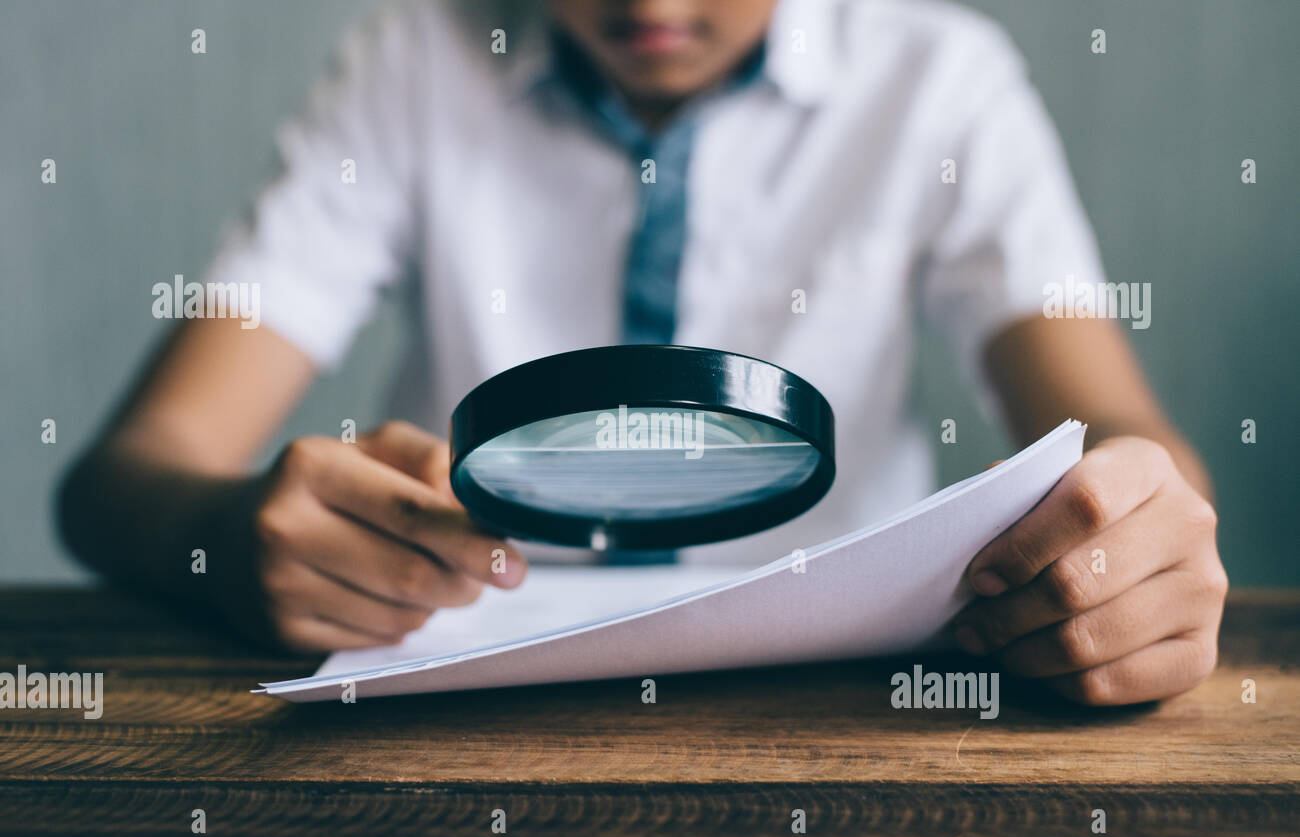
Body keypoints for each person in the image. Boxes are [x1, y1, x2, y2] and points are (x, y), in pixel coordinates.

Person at [58, 0, 1227, 706]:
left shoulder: (940, 77)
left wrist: (1137, 540)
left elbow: (1119, 438)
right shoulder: (414, 61)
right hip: (460, 688)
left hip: (845, 707)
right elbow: (122, 478)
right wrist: (225, 534)